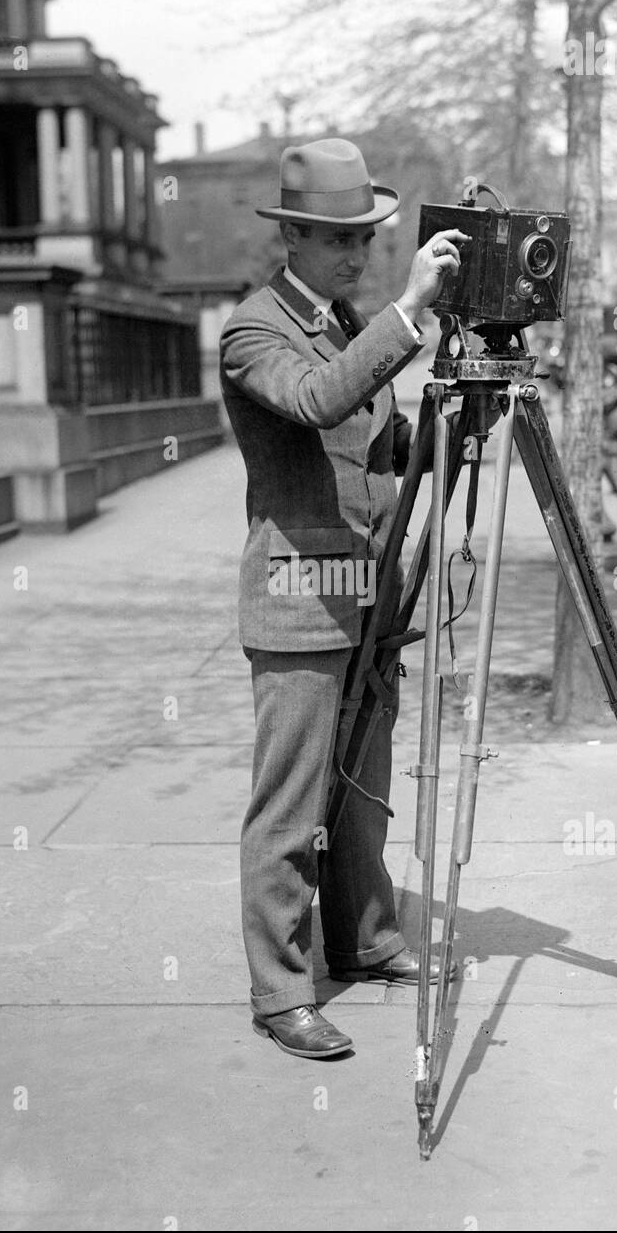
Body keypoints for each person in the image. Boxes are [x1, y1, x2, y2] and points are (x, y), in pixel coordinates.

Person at [219, 137, 467, 1058]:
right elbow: (320, 402)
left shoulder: (344, 319)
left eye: (363, 236)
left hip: (368, 593)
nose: (354, 254)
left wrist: (456, 413)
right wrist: (405, 317)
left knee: (360, 790)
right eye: (333, 239)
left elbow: (382, 452)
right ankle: (280, 990)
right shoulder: (256, 330)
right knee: (290, 803)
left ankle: (363, 939)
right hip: (298, 595)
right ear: (291, 235)